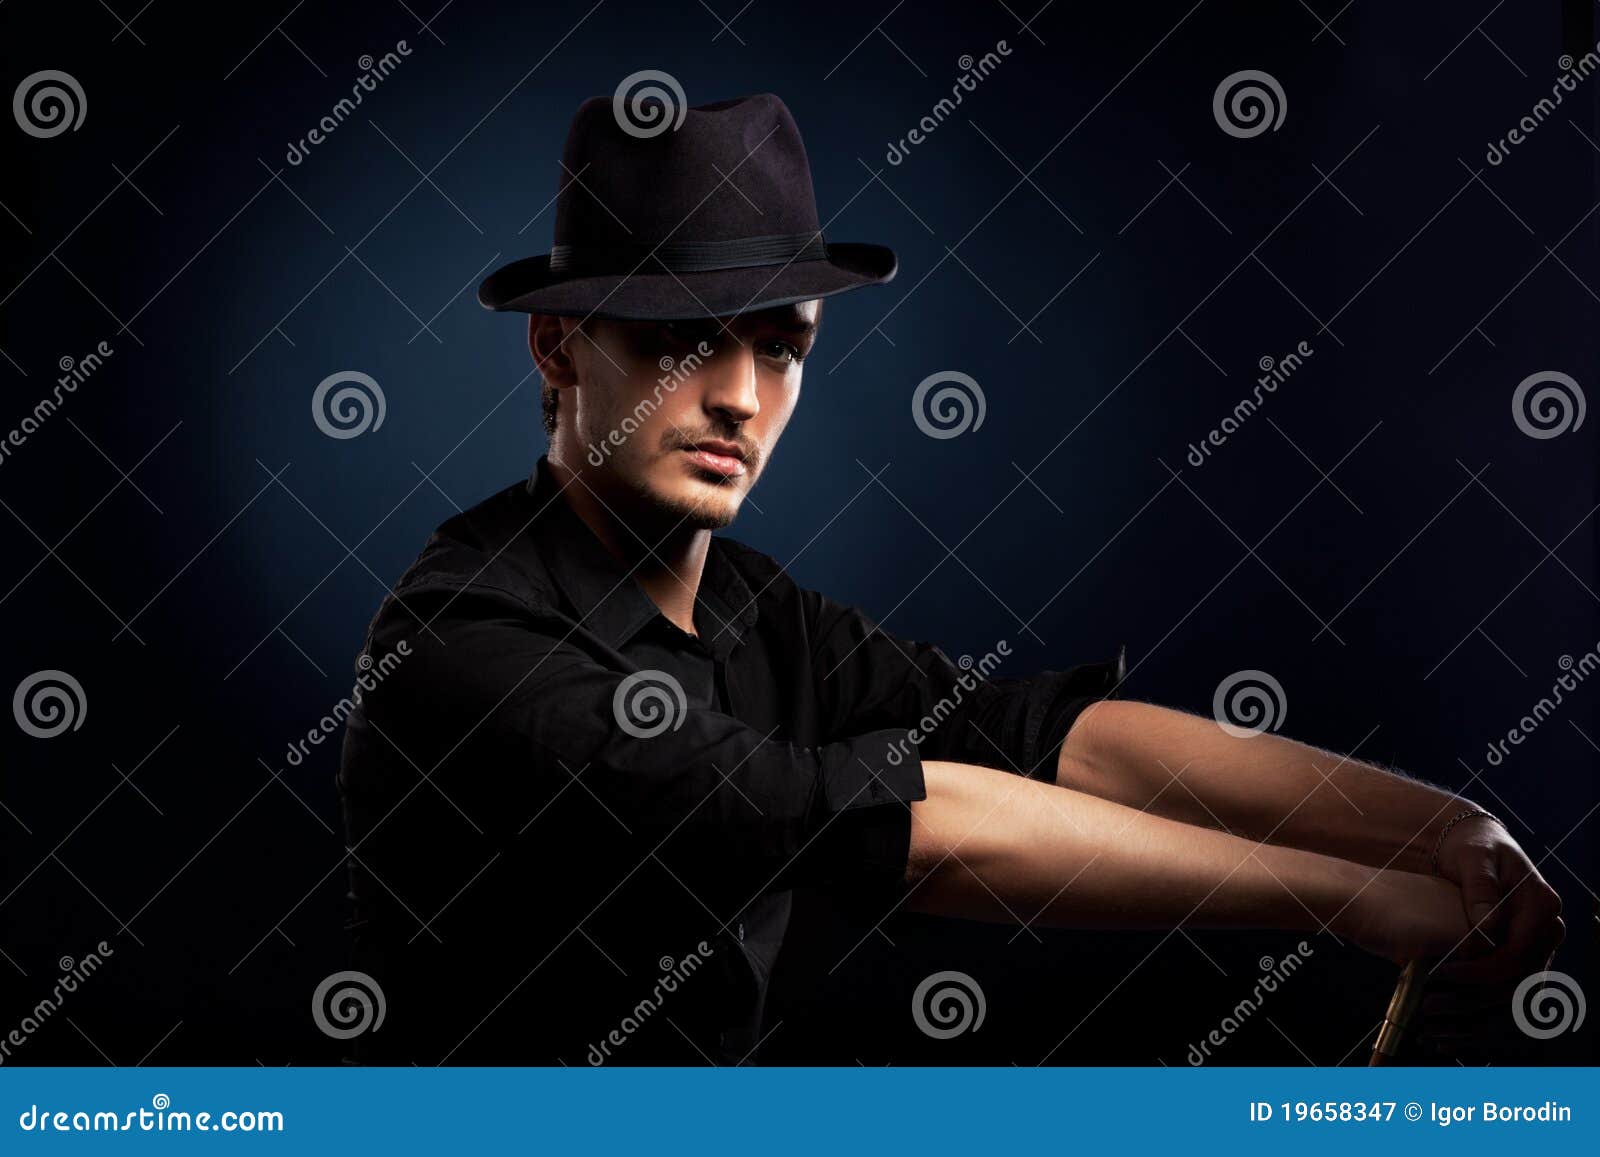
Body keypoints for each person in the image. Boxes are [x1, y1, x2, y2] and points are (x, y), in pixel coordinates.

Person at [337, 91, 1562, 1065]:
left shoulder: (759, 613)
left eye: (778, 347)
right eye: (679, 338)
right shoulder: (461, 637)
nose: (739, 396)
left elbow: (1043, 737)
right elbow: (901, 826)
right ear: (558, 345)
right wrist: (1352, 900)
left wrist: (1446, 829)